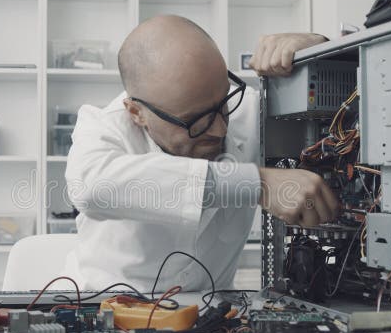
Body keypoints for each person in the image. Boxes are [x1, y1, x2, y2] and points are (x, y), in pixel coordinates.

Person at [63, 15, 339, 292]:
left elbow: (345, 116)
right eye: (196, 120)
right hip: (109, 307)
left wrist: (321, 51)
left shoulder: (249, 111)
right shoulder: (102, 127)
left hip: (213, 318)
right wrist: (256, 183)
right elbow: (91, 187)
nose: (219, 130)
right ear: (137, 113)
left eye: (223, 104)